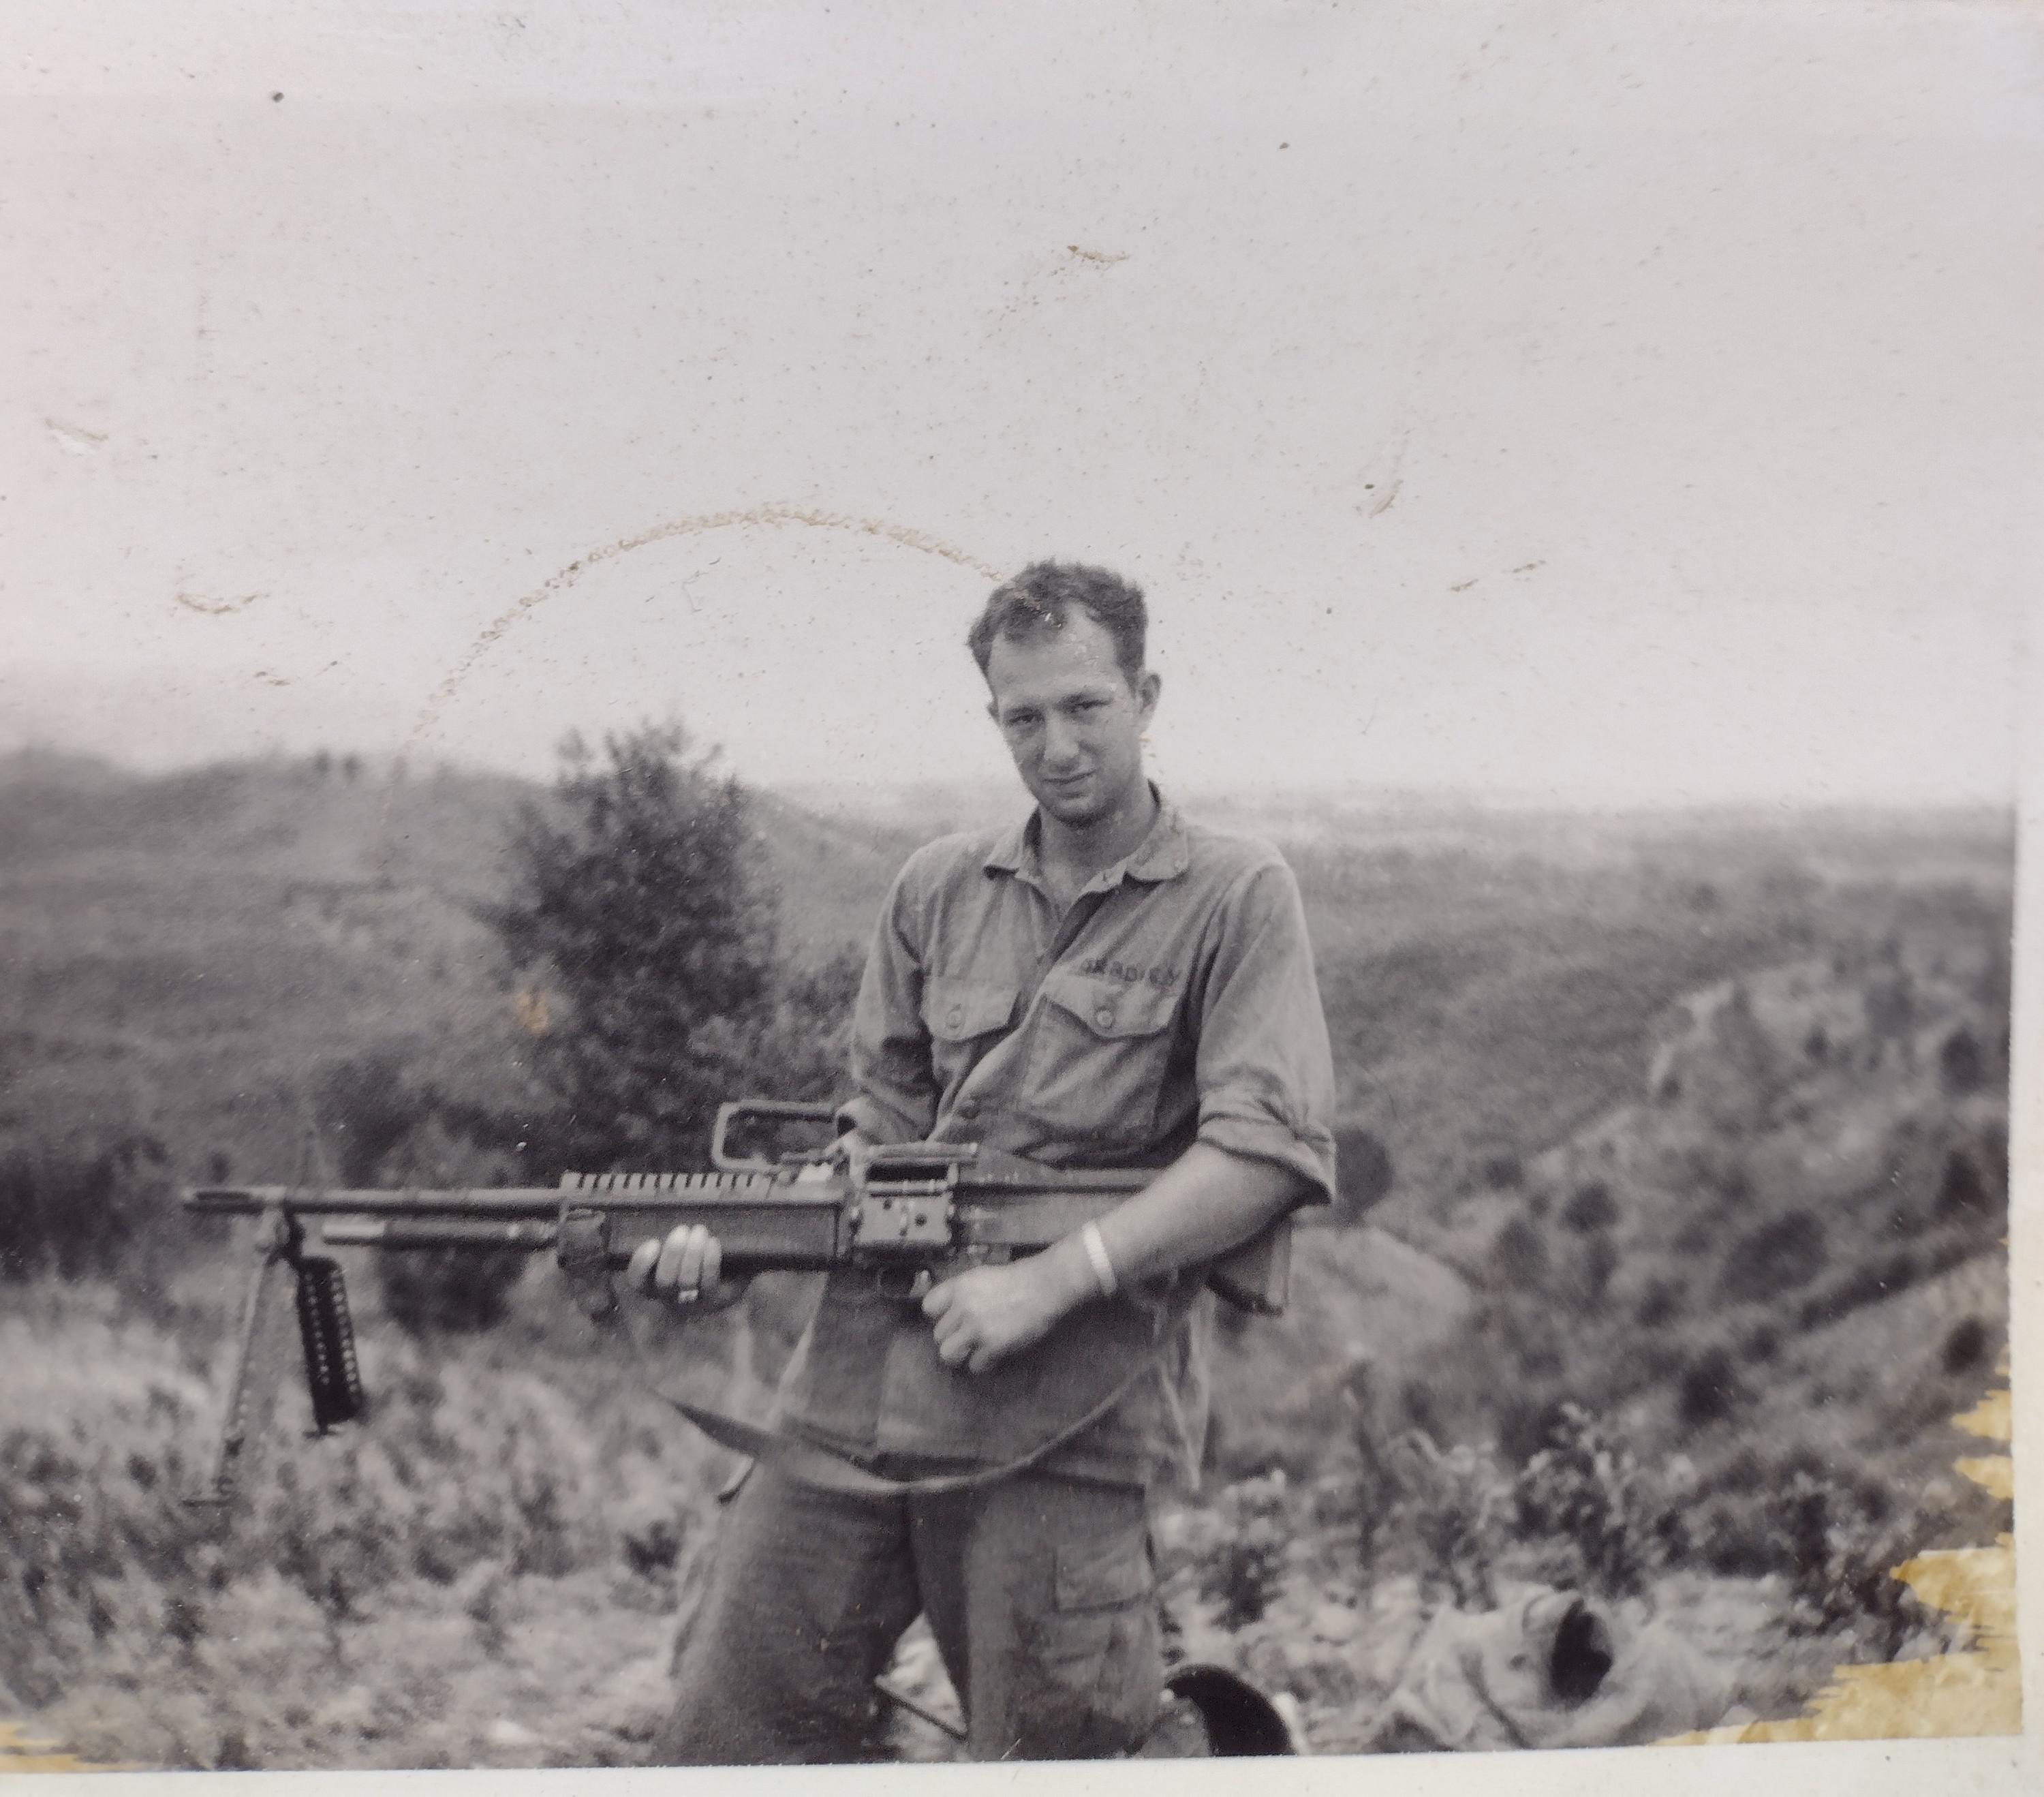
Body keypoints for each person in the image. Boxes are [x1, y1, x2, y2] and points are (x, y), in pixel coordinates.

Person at [631, 561, 1337, 1762]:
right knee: (728, 1734)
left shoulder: (1233, 894)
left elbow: (1266, 1152)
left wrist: (1052, 1280)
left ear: (1146, 692)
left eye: (1085, 707)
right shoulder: (935, 889)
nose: (1056, 746)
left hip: (1062, 1418)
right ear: (995, 718)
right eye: (1024, 717)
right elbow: (880, 1136)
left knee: (1055, 1757)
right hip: (853, 1394)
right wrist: (744, 1248)